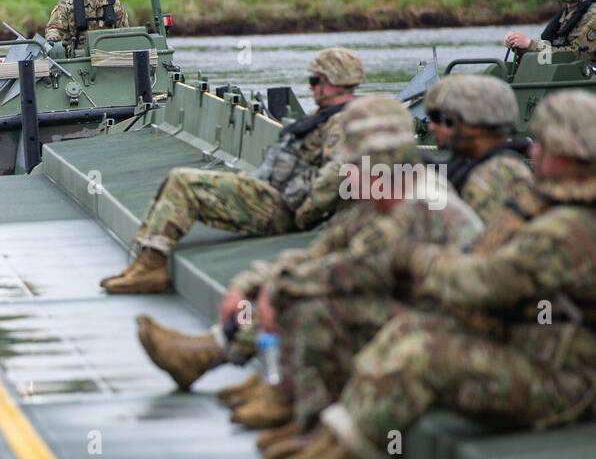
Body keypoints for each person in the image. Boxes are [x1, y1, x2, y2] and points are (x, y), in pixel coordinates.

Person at [262, 90, 596, 459]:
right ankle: (332, 445)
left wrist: (416, 259)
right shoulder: (551, 205)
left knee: (424, 356)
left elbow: (485, 281)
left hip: (565, 383)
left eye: (544, 144)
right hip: (530, 349)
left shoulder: (572, 227)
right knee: (409, 328)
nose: (534, 149)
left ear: (569, 154)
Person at [136, 96, 481, 439]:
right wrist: (252, 280)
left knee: (312, 304)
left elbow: (349, 271)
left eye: (353, 164)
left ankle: (305, 423)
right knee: (299, 287)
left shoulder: (420, 204)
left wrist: (277, 288)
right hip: (409, 306)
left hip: (446, 329)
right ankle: (221, 357)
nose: (346, 173)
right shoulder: (378, 195)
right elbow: (321, 252)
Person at [100, 48, 363, 295]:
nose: (311, 86)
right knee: (175, 179)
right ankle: (143, 262)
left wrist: (308, 211)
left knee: (183, 182)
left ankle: (151, 267)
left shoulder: (342, 122)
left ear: (332, 82)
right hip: (273, 193)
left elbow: (337, 170)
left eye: (315, 80)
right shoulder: (329, 114)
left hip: (282, 206)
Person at [427, 74, 531, 219]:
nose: (432, 126)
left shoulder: (496, 178)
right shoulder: (469, 164)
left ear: (476, 125)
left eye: (445, 120)